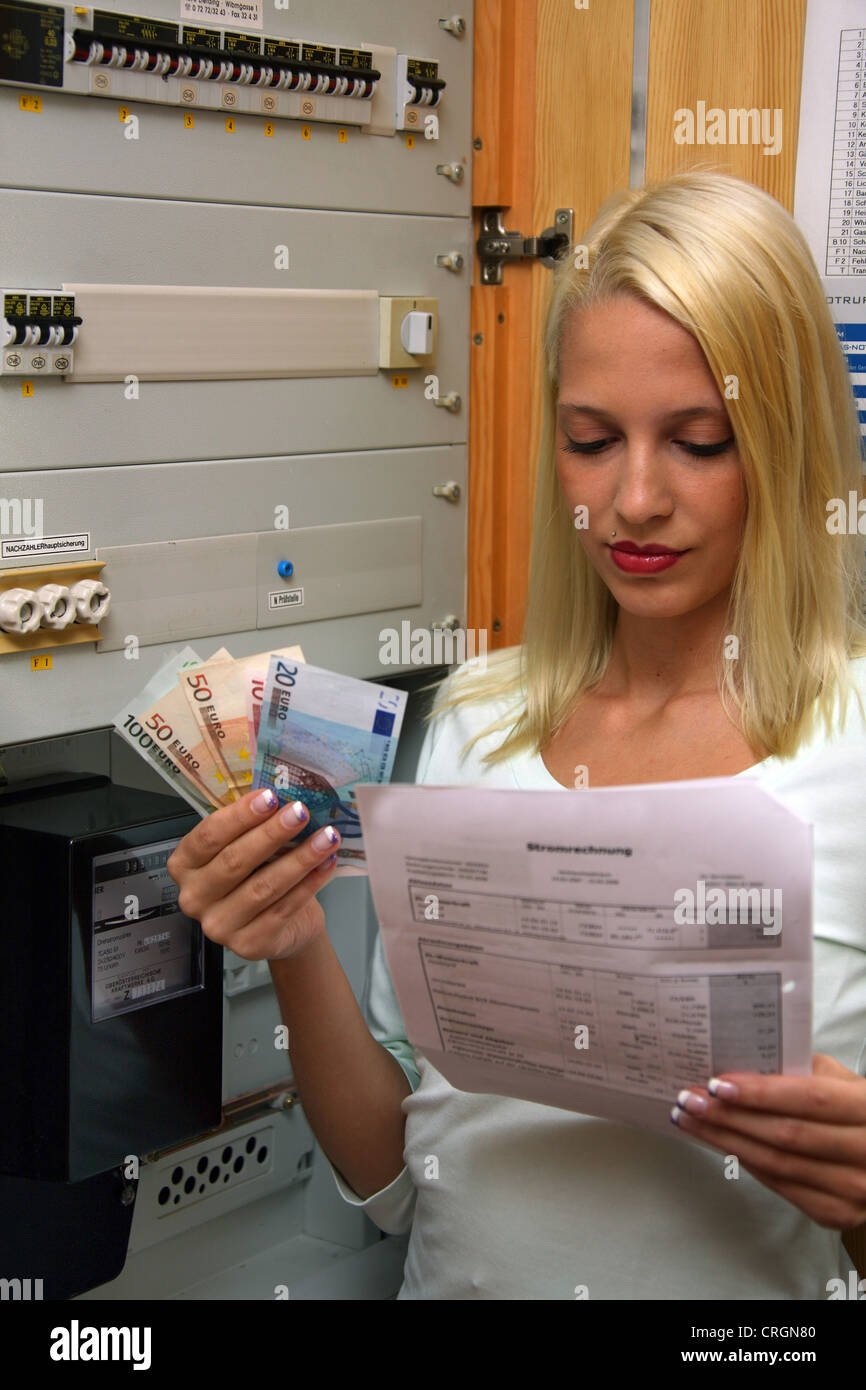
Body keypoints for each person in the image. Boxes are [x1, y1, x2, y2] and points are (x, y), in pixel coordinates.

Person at [168, 169, 866, 1300]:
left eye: (697, 441)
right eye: (591, 439)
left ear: (783, 449)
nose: (632, 499)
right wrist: (291, 939)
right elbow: (396, 1173)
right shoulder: (477, 724)